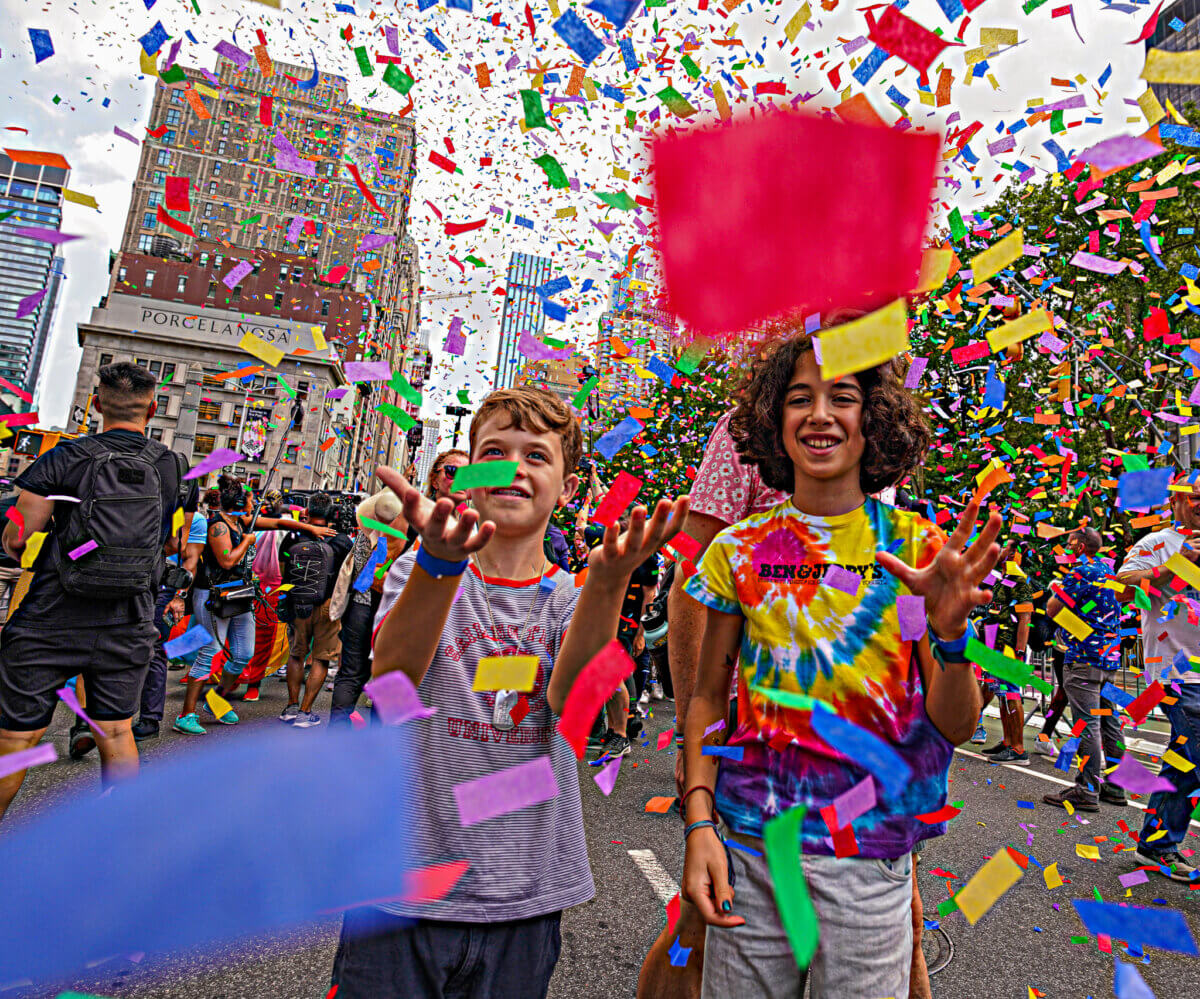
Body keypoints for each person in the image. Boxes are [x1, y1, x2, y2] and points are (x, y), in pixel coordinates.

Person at [332, 387, 687, 999]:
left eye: (537, 456)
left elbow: (568, 702)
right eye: (495, 451)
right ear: (469, 474)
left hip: (523, 896)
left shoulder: (574, 597)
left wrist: (607, 583)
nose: (515, 468)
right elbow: (392, 680)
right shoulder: (415, 572)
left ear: (569, 488)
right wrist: (439, 566)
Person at [678, 320, 995, 999]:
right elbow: (709, 695)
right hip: (752, 852)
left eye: (842, 396)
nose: (819, 414)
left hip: (870, 863)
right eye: (799, 397)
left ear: (872, 417)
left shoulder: (917, 548)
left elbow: (956, 724)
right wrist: (700, 820)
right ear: (773, 417)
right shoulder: (737, 549)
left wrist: (951, 637)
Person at [0, 362, 197, 819]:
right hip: (128, 617)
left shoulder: (63, 458)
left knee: (16, 739)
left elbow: (17, 538)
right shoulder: (173, 467)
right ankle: (120, 850)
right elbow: (173, 542)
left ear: (95, 403)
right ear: (152, 408)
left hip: (51, 615)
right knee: (115, 730)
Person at [174, 476, 327, 734]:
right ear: (238, 504)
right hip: (214, 597)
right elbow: (227, 561)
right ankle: (186, 715)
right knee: (209, 652)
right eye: (250, 499)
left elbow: (277, 522)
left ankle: (216, 700)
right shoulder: (218, 528)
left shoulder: (240, 521)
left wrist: (310, 529)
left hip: (240, 595)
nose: (254, 502)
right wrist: (247, 541)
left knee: (244, 653)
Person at [1116, 478, 1200, 880]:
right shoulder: (1157, 541)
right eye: (1196, 497)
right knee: (1195, 753)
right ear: (1176, 501)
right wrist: (1176, 566)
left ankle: (1157, 843)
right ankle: (1159, 843)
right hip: (1174, 671)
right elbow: (1120, 587)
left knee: (1186, 757)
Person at [1042, 526, 1126, 810]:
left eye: (1069, 543)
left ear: (1079, 546)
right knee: (1109, 719)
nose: (1066, 549)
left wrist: (1055, 591)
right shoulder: (1109, 568)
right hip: (1109, 658)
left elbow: (1052, 610)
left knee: (1087, 722)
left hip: (1084, 659)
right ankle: (1115, 786)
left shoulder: (1080, 571)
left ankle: (1087, 790)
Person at [328, 489, 405, 727]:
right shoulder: (405, 538)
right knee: (384, 676)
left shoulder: (366, 533)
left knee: (350, 672)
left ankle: (337, 731)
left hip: (359, 606)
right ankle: (375, 740)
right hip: (390, 611)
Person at [131, 502, 207, 741]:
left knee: (154, 650)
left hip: (165, 585)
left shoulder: (193, 519)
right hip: (130, 578)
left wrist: (178, 596)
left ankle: (149, 719)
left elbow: (190, 560)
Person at [278, 492, 352, 728]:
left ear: (307, 513)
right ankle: (305, 711)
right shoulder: (341, 541)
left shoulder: (292, 536)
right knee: (321, 659)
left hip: (298, 603)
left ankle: (290, 706)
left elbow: (284, 573)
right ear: (331, 515)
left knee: (296, 654)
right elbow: (347, 577)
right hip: (328, 606)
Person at [970, 538, 1034, 765]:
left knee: (1011, 693)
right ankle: (1008, 742)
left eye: (1007, 548)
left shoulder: (1019, 581)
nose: (1002, 550)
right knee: (1002, 695)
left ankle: (1018, 749)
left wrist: (1018, 651)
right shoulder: (1002, 579)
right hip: (995, 646)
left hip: (1008, 648)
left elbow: (1026, 616)